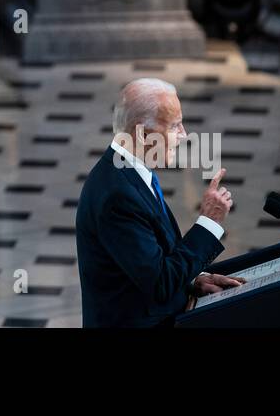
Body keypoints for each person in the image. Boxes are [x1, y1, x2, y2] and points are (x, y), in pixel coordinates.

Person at [76, 78, 243, 327]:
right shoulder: (117, 195)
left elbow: (151, 263)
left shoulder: (131, 172)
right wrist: (208, 223)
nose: (184, 134)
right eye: (175, 126)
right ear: (143, 134)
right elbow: (160, 285)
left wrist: (193, 280)